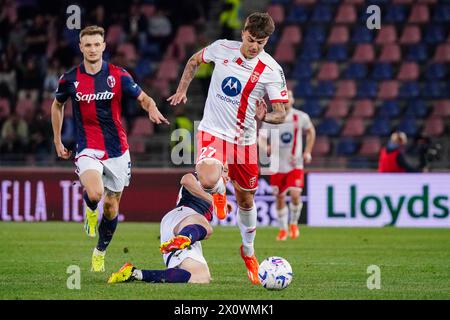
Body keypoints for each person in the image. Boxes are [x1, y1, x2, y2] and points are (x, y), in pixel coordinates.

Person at [167, 12, 288, 285]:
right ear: (243, 31)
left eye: (261, 42)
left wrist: (264, 117)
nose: (255, 46)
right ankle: (218, 191)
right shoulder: (222, 47)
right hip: (212, 132)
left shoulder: (271, 70)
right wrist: (182, 89)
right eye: (251, 39)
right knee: (208, 180)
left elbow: (281, 113)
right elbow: (193, 60)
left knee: (246, 200)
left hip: (244, 143)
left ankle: (248, 251)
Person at [51, 25, 169, 272]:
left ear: (104, 46)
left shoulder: (118, 75)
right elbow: (57, 105)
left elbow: (144, 98)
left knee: (112, 206)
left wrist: (152, 108)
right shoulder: (70, 79)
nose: (93, 49)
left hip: (117, 149)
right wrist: (57, 140)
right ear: (81, 47)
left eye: (97, 44)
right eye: (88, 45)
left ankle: (100, 251)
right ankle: (90, 210)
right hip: (87, 147)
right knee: (95, 193)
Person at [107, 166, 230, 284]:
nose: (227, 176)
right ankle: (183, 238)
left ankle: (134, 273)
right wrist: (211, 200)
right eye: (224, 171)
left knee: (199, 277)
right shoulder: (203, 176)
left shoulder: (217, 191)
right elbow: (186, 180)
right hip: (181, 215)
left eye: (229, 173)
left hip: (186, 228)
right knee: (207, 228)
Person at [259, 90, 315, 241]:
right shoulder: (270, 118)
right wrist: (266, 148)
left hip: (295, 163)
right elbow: (261, 138)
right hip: (277, 165)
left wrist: (307, 151)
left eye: (289, 96)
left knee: (296, 195)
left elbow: (311, 131)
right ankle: (283, 229)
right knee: (279, 197)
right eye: (284, 97)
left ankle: (294, 223)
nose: (286, 99)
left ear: (293, 100)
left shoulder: (301, 117)